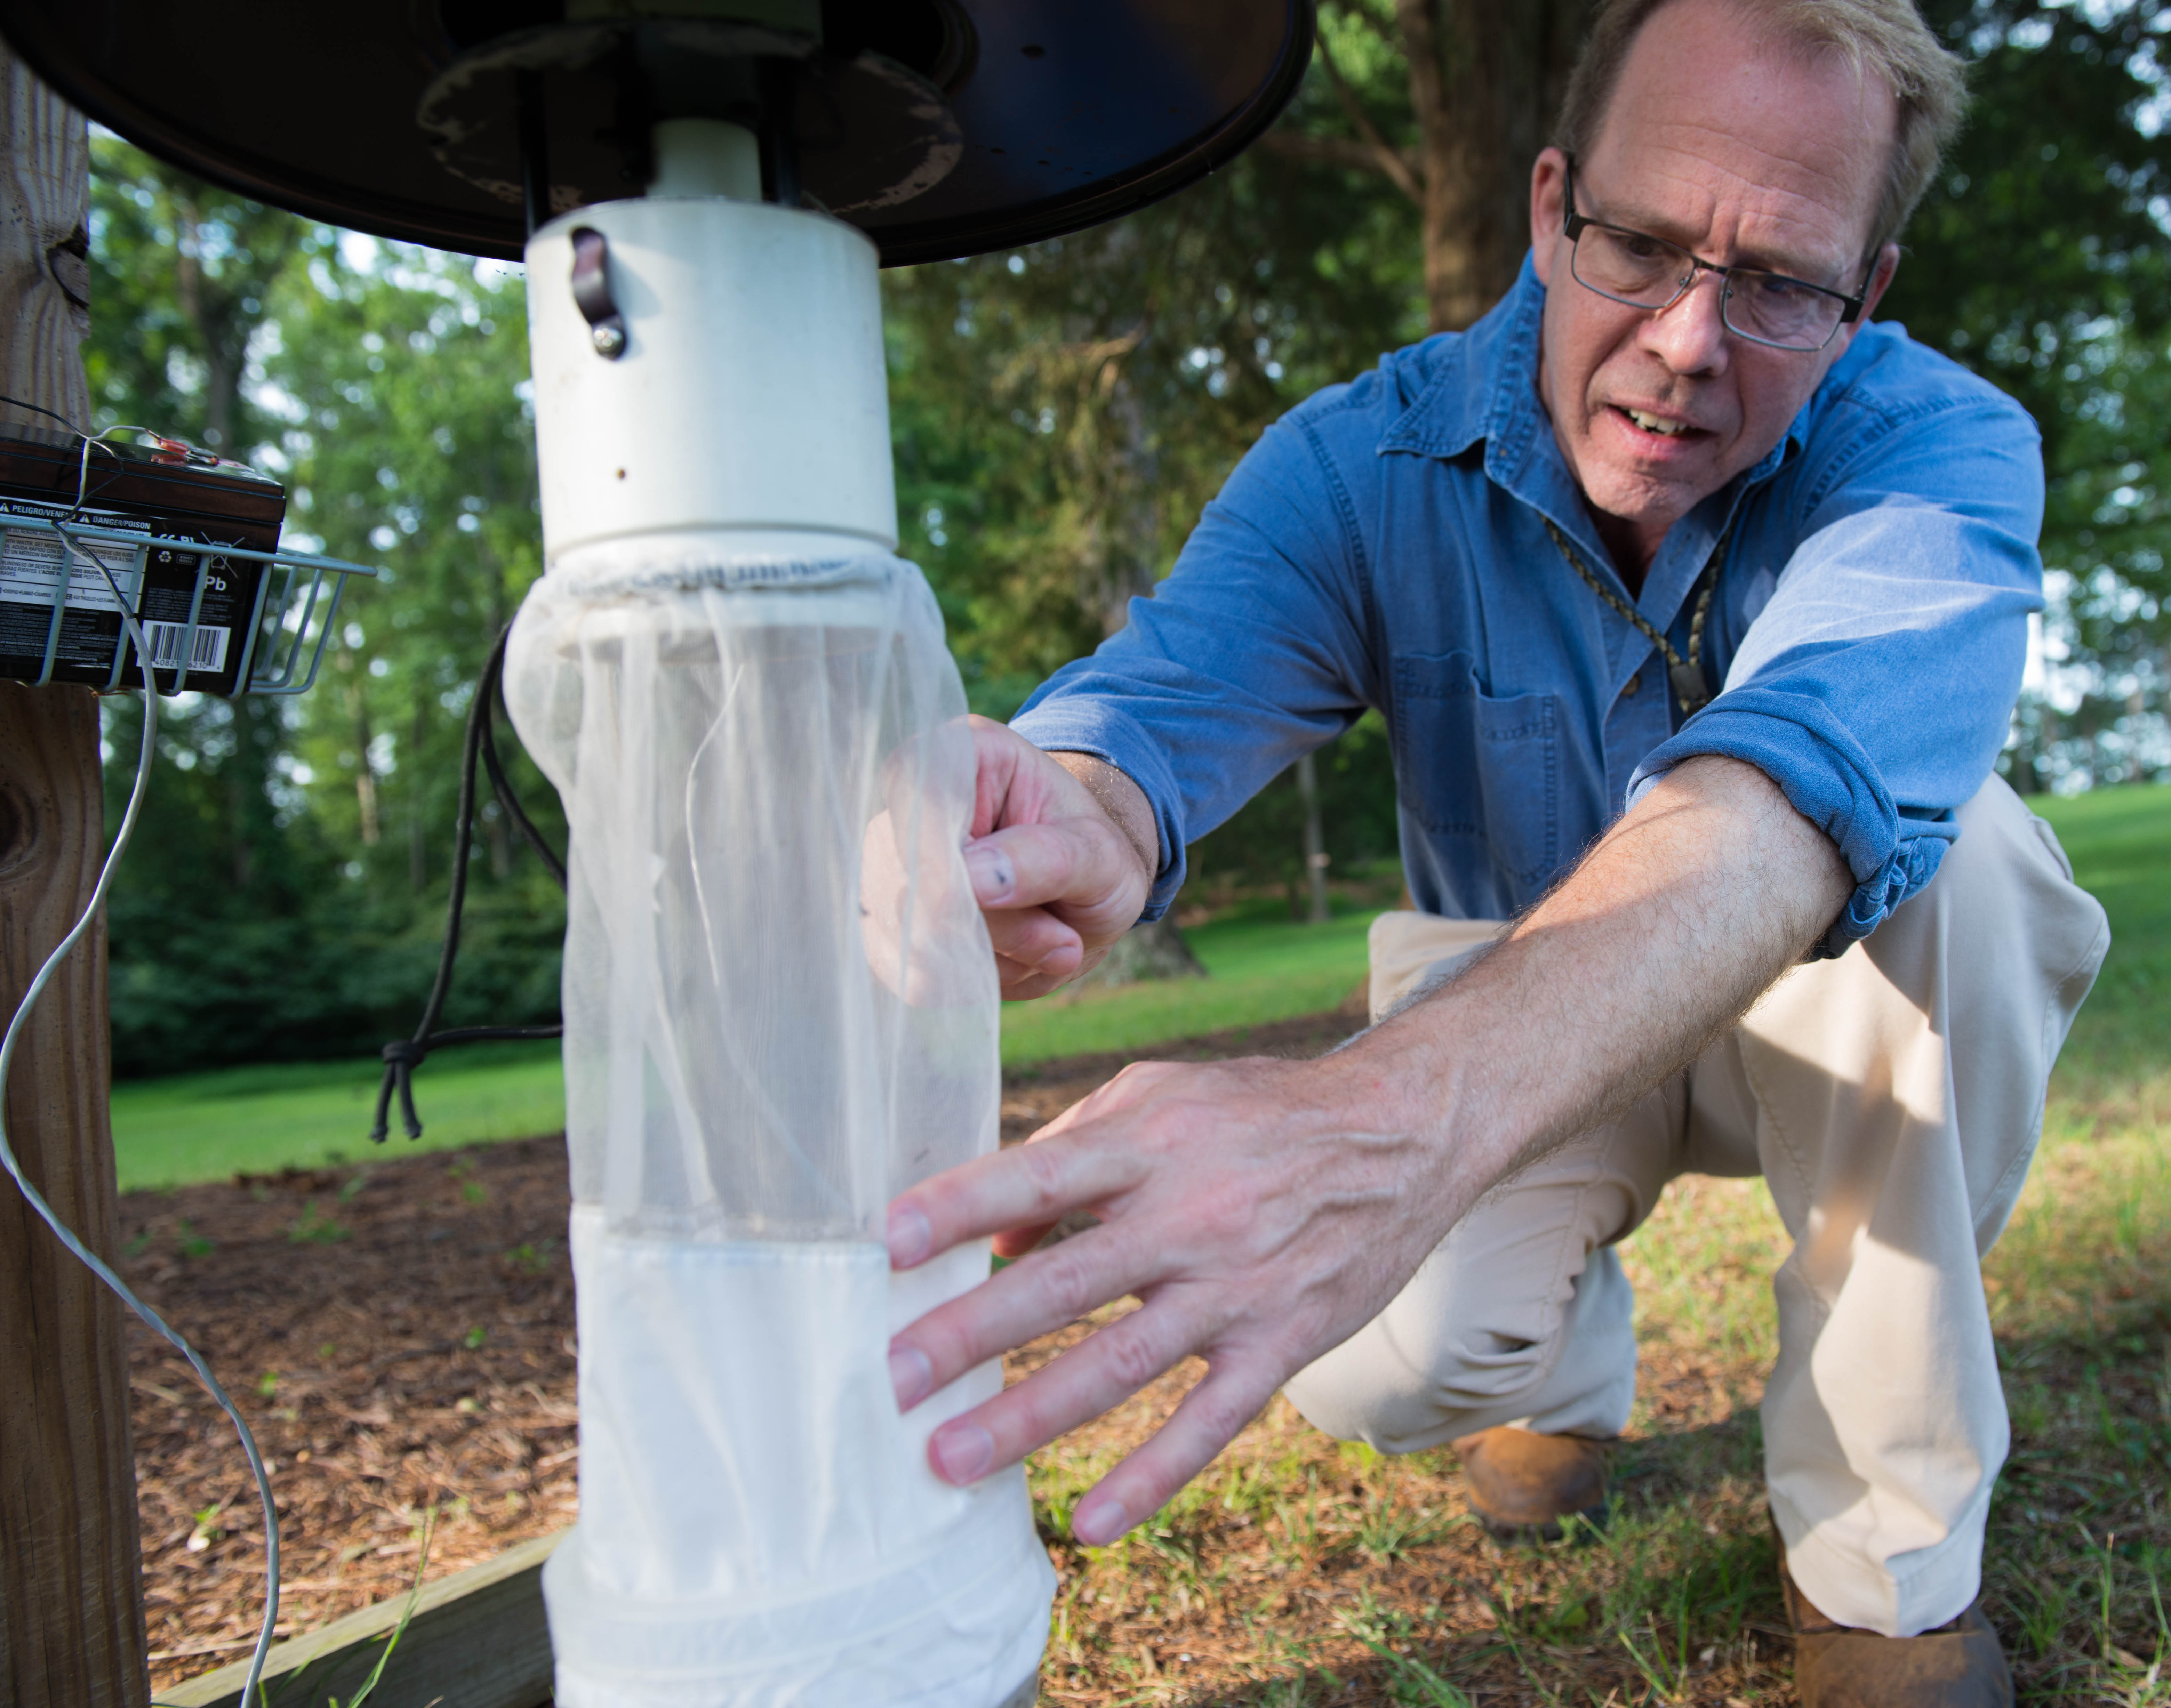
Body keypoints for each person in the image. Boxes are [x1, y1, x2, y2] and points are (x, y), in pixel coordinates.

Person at [881, 0, 2110, 1700]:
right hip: (1513, 994)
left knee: (1964, 854)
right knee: (1386, 1381)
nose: (1687, 341)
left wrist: (1378, 1122)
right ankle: (1552, 1364)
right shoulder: (1357, 457)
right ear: (1550, 207)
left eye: (1778, 284)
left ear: (1866, 295)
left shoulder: (1938, 447)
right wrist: (1081, 801)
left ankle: (1884, 1565)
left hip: (1821, 998)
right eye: (1640, 242)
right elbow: (1163, 696)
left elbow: (1809, 779)